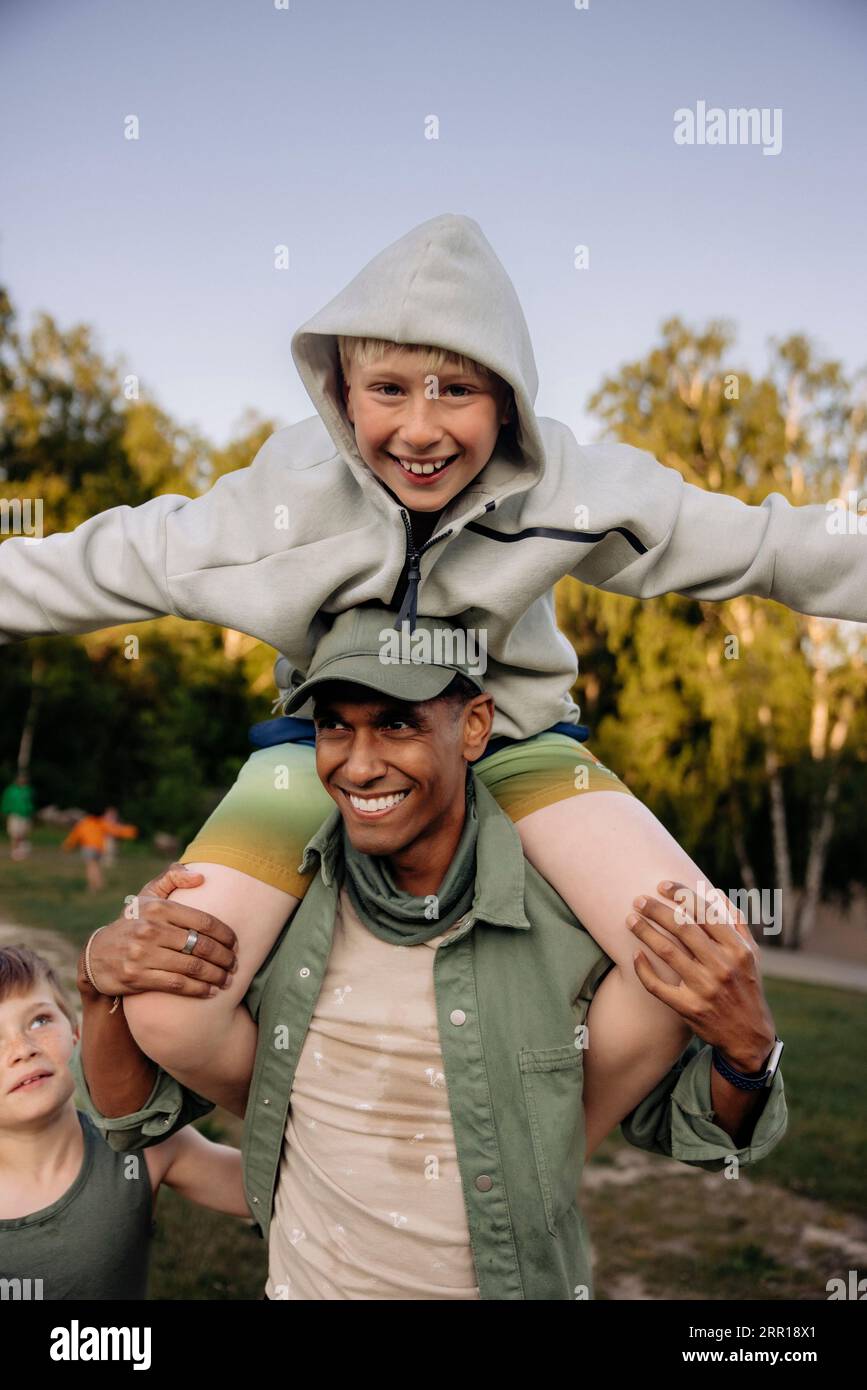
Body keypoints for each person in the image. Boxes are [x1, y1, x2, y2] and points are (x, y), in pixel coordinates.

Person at [1, 212, 858, 1120]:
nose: (419, 428)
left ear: (507, 401)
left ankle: (541, 1150)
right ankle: (321, 1145)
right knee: (171, 1003)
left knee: (699, 945)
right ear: (340, 392)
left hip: (520, 740)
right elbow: (111, 559)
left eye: (456, 391)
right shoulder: (284, 502)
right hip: (324, 743)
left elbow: (769, 544)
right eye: (388, 390)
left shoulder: (568, 487)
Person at [73, 608, 787, 1301]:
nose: (359, 765)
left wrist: (747, 1054)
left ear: (475, 726)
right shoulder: (274, 926)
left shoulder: (575, 928)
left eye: (396, 724)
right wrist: (95, 978)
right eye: (333, 727)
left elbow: (702, 1131)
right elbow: (133, 1116)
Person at [0, 943, 250, 1300]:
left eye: (39, 1021)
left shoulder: (142, 1150)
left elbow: (268, 1189)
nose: (23, 1049)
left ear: (76, 1033)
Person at [61, 810, 138, 892]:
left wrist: (67, 846)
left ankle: (92, 886)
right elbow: (114, 830)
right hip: (99, 848)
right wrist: (131, 831)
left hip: (88, 847)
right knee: (96, 866)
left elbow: (75, 836)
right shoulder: (100, 822)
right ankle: (100, 884)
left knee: (90, 867)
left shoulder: (83, 824)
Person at [1, 772, 35, 862]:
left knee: (23, 833)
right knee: (15, 834)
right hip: (14, 814)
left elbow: (30, 803)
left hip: (25, 815)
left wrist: (30, 811)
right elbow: (6, 801)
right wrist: (5, 811)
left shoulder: (28, 790)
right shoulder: (11, 790)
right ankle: (14, 851)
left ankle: (21, 851)